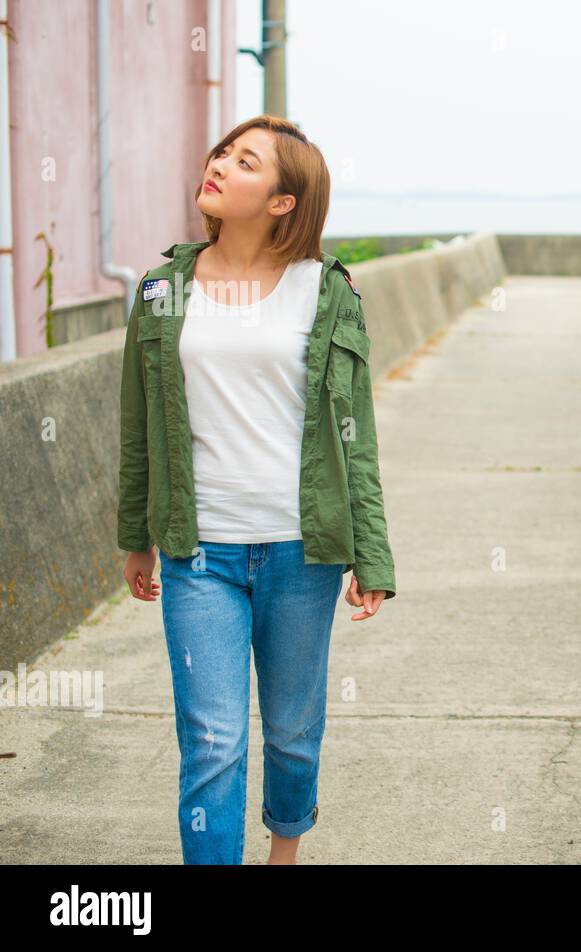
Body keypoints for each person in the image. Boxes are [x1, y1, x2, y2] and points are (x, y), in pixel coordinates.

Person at [116, 114, 397, 864]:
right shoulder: (161, 290)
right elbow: (139, 423)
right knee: (211, 741)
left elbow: (355, 437)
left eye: (245, 162)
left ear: (282, 201)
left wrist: (373, 553)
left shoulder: (325, 291)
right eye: (222, 152)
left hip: (301, 550)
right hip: (197, 550)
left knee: (293, 734)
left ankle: (284, 854)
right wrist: (132, 535)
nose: (219, 165)